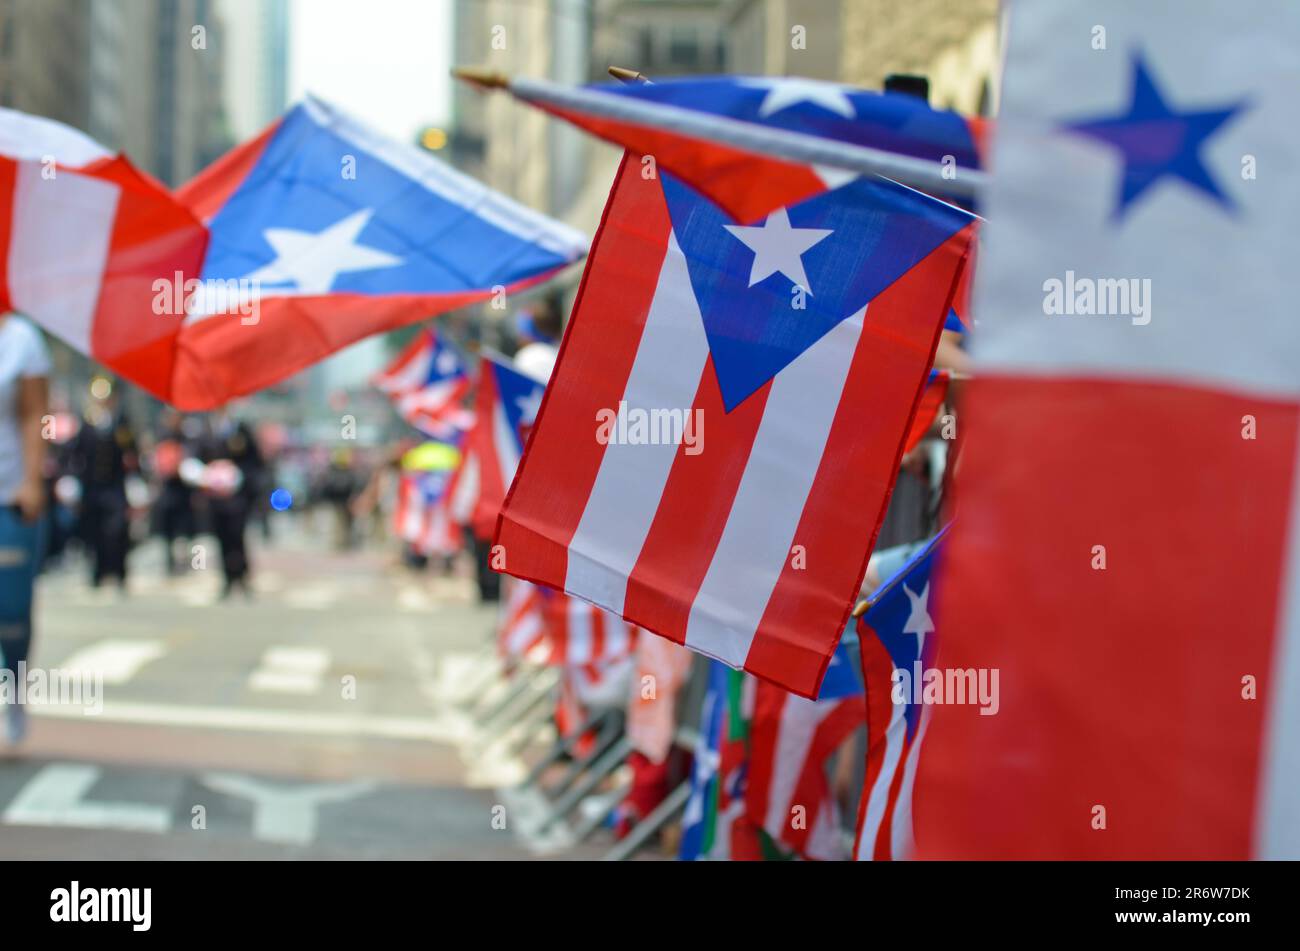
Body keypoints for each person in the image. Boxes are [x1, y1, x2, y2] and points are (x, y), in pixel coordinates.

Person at [0, 312, 51, 746]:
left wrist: (32, 481)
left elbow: (35, 413)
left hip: (9, 497)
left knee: (12, 612)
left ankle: (14, 688)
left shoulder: (20, 339)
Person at [67, 383, 137, 591]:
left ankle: (118, 572)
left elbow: (131, 454)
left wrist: (136, 481)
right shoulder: (87, 424)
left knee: (116, 532)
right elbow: (76, 455)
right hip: (93, 488)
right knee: (95, 532)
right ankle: (98, 573)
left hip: (115, 487)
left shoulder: (120, 423)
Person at [200, 411, 264, 598]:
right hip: (214, 496)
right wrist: (208, 476)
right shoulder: (206, 430)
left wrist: (237, 476)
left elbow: (255, 462)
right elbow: (197, 458)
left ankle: (242, 577)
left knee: (238, 537)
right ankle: (227, 578)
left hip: (238, 497)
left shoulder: (240, 429)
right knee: (221, 538)